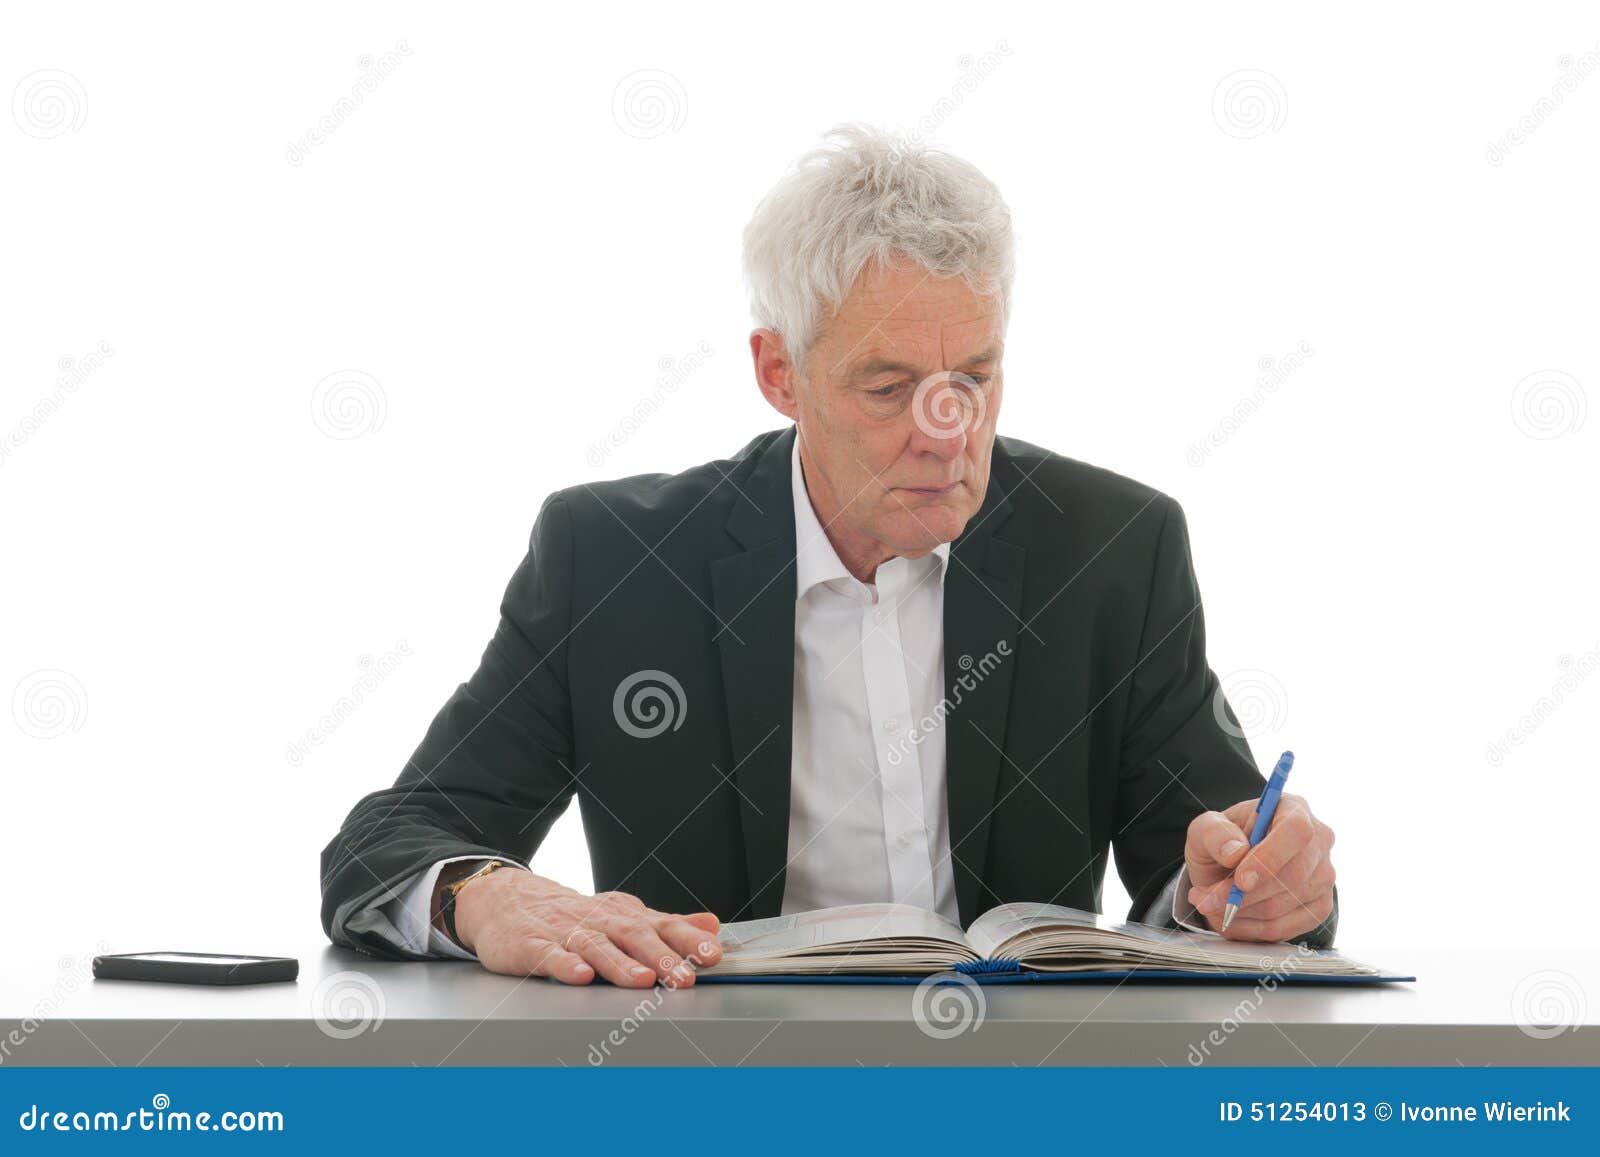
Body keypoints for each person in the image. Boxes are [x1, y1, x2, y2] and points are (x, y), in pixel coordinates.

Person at [320, 123, 1338, 987]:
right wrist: (483, 893)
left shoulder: (1112, 547)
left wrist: (1250, 891)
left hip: (1020, 1096)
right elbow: (389, 840)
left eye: (973, 376)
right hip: (710, 1095)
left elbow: (1211, 873)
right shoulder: (613, 558)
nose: (945, 429)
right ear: (779, 373)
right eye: (887, 387)